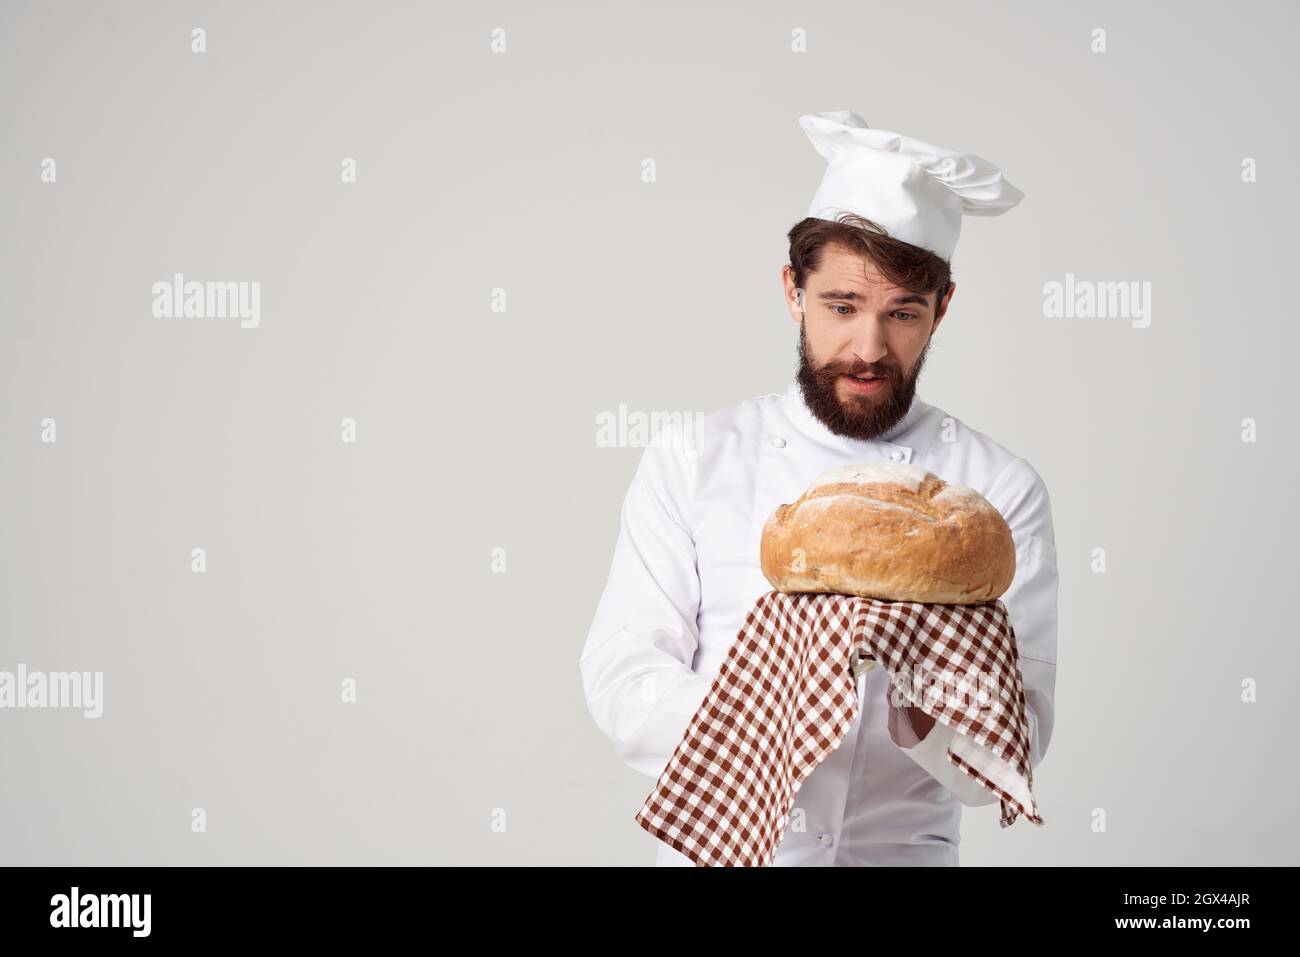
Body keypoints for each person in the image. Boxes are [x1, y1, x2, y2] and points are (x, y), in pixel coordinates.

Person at [579, 111, 1058, 866]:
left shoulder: (997, 491)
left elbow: (1017, 735)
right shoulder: (692, 458)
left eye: (903, 313)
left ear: (942, 310)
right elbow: (625, 676)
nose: (869, 348)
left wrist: (921, 689)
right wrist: (774, 705)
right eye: (841, 307)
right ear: (793, 291)